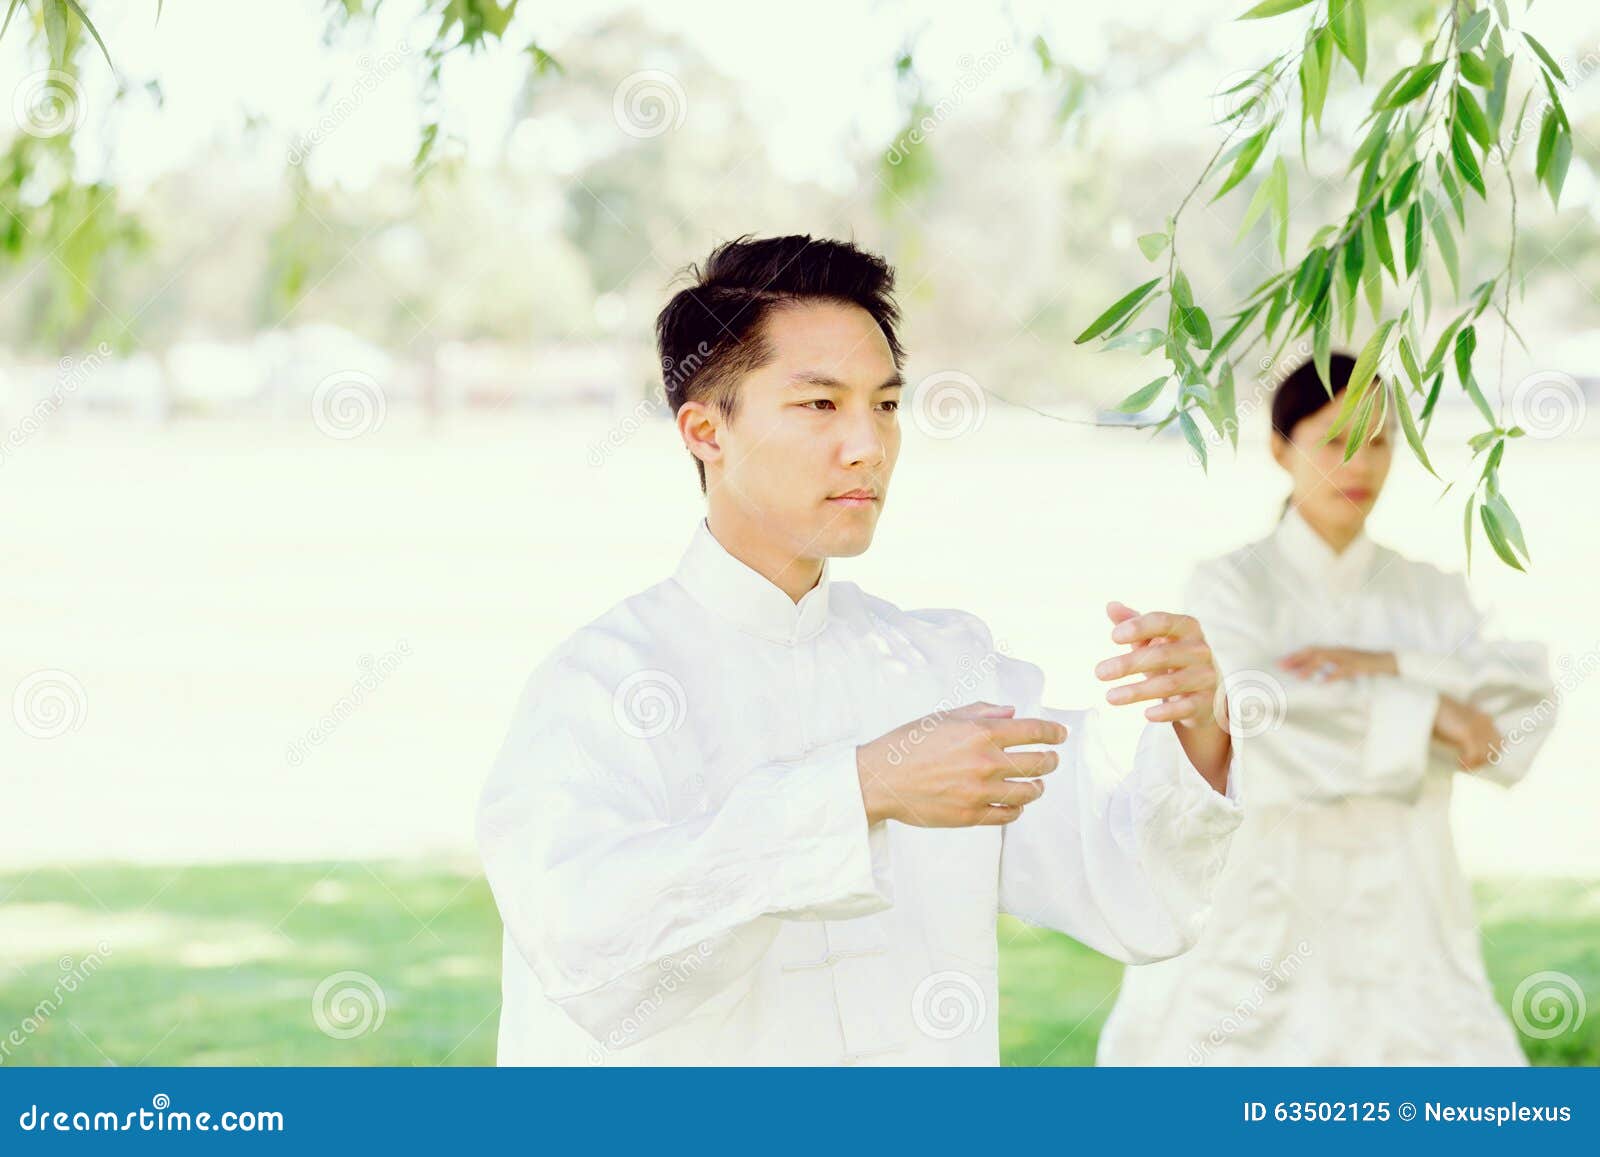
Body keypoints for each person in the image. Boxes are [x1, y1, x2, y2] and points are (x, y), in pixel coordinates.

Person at [476, 234, 1244, 1065]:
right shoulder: (601, 685)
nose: (868, 446)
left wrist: (1198, 728)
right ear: (705, 430)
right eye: (820, 405)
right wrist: (864, 787)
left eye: (884, 404)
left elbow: (1138, 893)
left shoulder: (943, 666)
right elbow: (590, 956)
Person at [1095, 353, 1557, 1066]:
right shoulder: (1230, 585)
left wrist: (1391, 667)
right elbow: (1260, 717)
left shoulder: (1431, 589)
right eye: (1335, 440)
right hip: (1270, 880)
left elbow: (1507, 719)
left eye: (1378, 441)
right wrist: (1433, 710)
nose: (1360, 464)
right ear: (1281, 448)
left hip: (1409, 883)